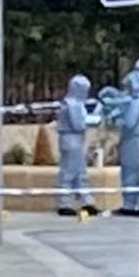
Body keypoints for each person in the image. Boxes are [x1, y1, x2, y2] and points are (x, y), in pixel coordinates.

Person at [56, 74, 99, 216]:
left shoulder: (71, 103)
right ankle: (64, 202)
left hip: (73, 140)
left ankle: (86, 200)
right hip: (72, 139)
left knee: (79, 172)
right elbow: (78, 124)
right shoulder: (73, 105)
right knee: (69, 172)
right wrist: (95, 119)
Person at [110, 60, 139, 217]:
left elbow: (129, 123)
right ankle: (135, 203)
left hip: (134, 140)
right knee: (136, 172)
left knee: (131, 172)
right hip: (138, 139)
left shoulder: (137, 102)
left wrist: (116, 120)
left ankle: (131, 205)